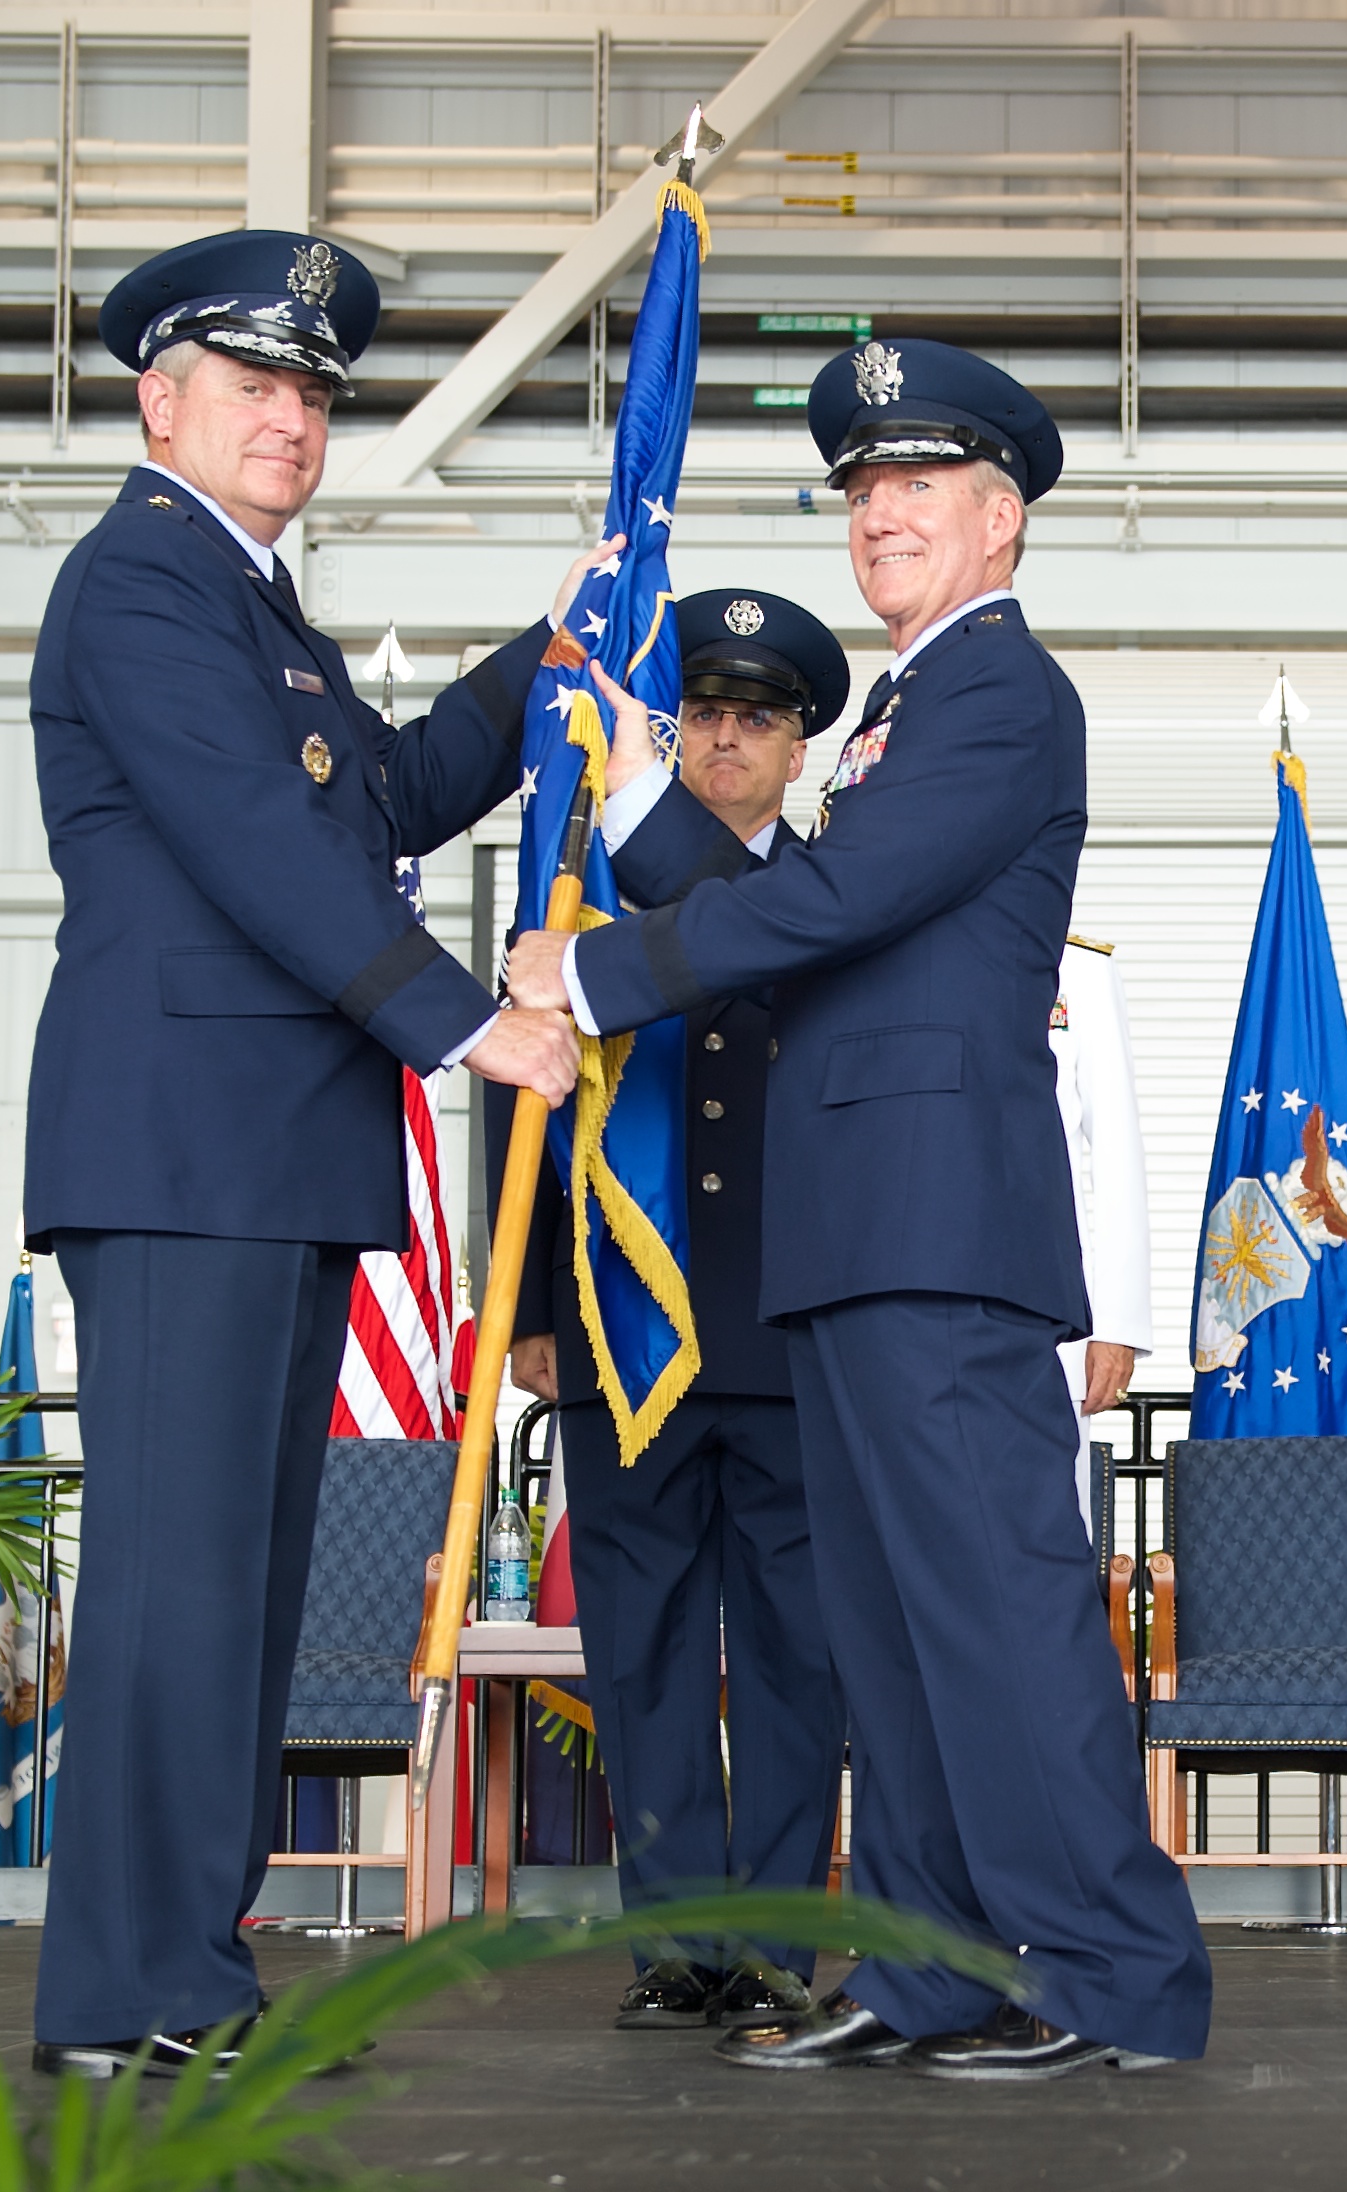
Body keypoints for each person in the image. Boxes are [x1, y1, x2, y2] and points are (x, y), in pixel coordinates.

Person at [506, 339, 1212, 2079]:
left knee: (988, 1606)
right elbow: (805, 895)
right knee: (889, 1638)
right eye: (858, 491)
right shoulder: (899, 708)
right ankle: (924, 1967)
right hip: (851, 1238)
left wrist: (597, 971)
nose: (876, 511)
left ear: (999, 525)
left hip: (935, 1233)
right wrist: (613, 775)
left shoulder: (993, 695)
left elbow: (829, 901)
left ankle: (1119, 1973)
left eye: (914, 487)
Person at [24, 228, 594, 2079]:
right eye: (255, 385)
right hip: (185, 1153)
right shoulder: (138, 586)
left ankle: (188, 1971)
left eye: (312, 394)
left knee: (243, 1598)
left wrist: (556, 653)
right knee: (176, 1591)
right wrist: (464, 1023)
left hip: (264, 1157)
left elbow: (386, 802)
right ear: (158, 401)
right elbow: (263, 858)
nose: (289, 416)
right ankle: (123, 1993)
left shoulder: (248, 601)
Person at [497, 591, 851, 2031]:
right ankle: (675, 1944)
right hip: (615, 1330)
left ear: (796, 749)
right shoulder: (578, 895)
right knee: (639, 1648)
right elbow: (519, 1103)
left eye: (753, 717)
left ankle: (768, 1947)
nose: (722, 736)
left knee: (788, 1653)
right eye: (699, 712)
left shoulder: (837, 896)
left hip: (782, 1334)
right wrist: (523, 1300)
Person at [1051, 934, 1152, 1535]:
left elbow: (1117, 1153)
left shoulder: (1077, 969)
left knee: (1050, 1532)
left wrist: (1113, 1325)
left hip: (1049, 1321)